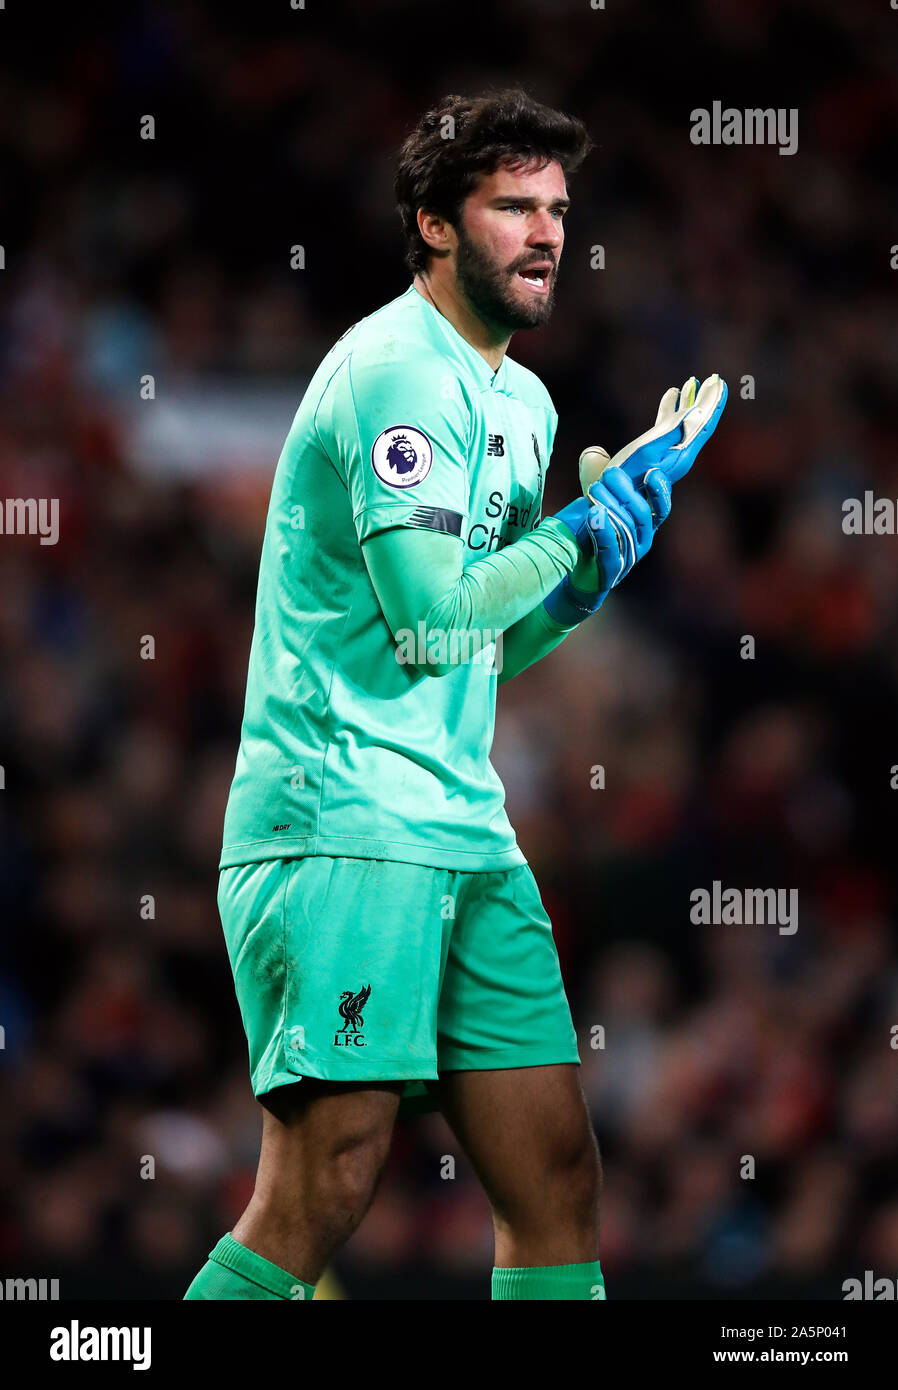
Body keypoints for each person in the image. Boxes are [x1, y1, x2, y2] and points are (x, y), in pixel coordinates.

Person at [184, 87, 723, 1302]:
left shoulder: (524, 403)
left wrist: (579, 581)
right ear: (432, 223)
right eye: (511, 207)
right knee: (327, 1175)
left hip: (463, 828)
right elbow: (430, 613)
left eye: (557, 211)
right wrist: (572, 530)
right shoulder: (391, 369)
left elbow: (471, 641)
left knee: (554, 1177)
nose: (546, 236)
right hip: (341, 823)